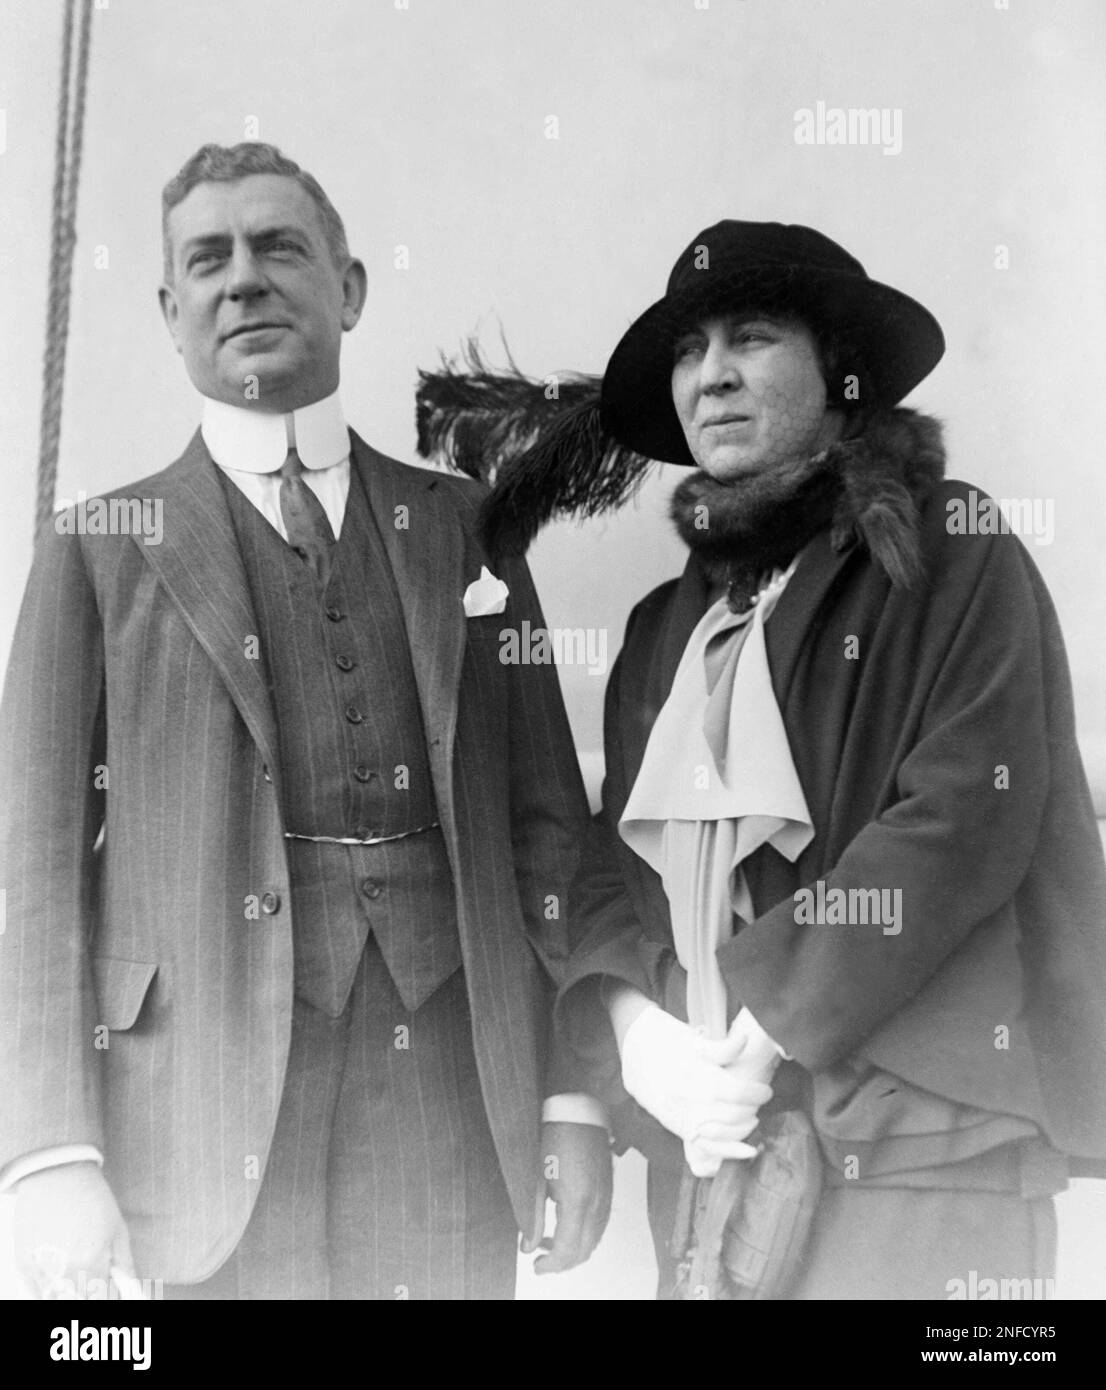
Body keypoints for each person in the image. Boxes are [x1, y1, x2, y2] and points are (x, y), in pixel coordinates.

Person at [0, 141, 609, 1300]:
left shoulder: (471, 531)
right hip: (194, 1105)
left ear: (350, 287)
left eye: (279, 248)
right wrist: (48, 1151)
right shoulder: (97, 547)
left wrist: (572, 1092)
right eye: (208, 261)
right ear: (171, 311)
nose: (244, 281)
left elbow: (549, 832)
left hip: (447, 1089)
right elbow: (31, 869)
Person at [464, 219, 1106, 1298]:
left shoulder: (952, 552)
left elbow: (959, 819)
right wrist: (638, 1036)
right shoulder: (660, 631)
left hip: (912, 1156)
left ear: (838, 374)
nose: (708, 376)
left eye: (748, 338)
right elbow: (609, 880)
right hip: (713, 1162)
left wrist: (766, 1028)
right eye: (686, 351)